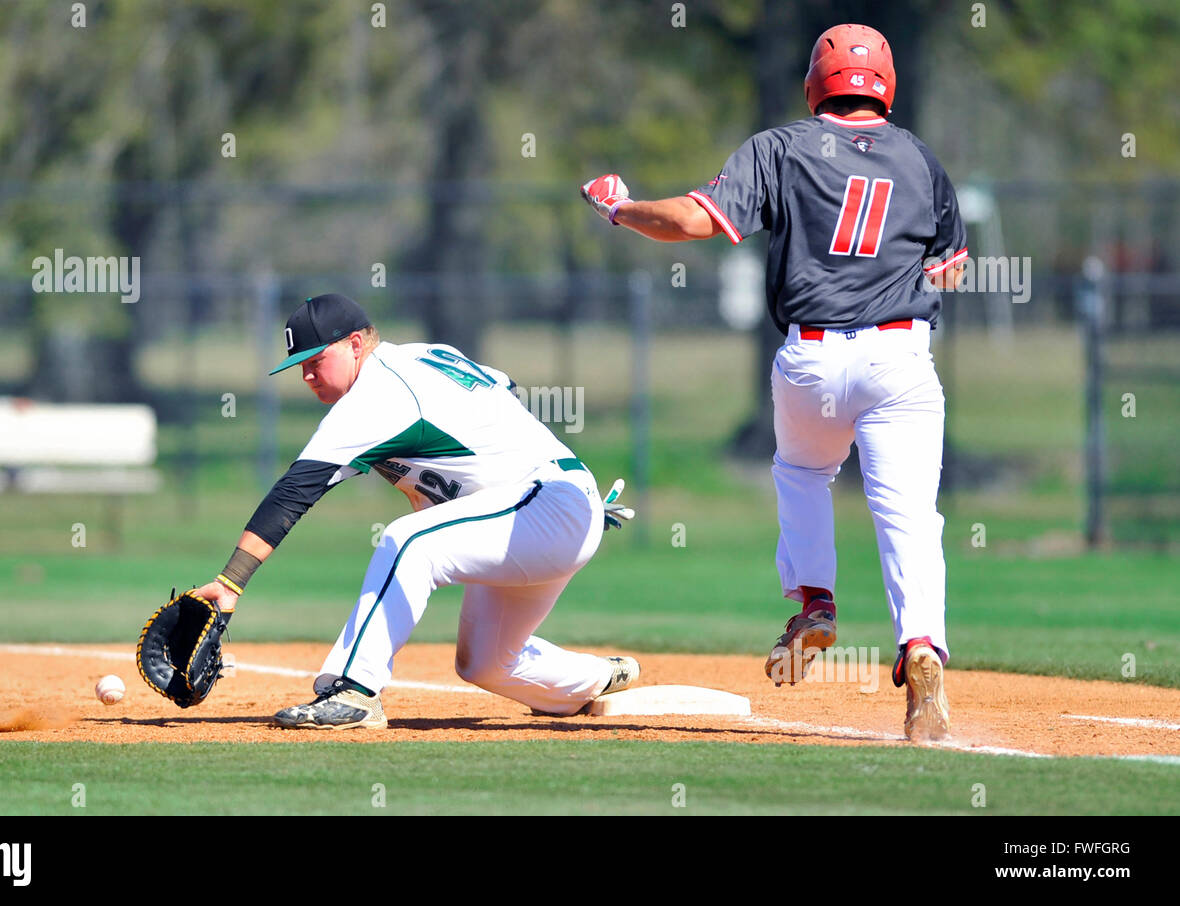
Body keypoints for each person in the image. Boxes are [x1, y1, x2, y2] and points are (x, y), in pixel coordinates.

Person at [580, 24, 966, 742]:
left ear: (816, 83)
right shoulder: (920, 159)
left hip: (814, 358)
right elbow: (950, 263)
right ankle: (921, 650)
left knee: (803, 472)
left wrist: (621, 209)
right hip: (901, 359)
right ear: (886, 83)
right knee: (910, 518)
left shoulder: (782, 147)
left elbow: (698, 220)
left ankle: (815, 601)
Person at [192, 293, 638, 729]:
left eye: (315, 359)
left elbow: (295, 491)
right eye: (300, 365)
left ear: (354, 344)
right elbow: (502, 385)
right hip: (544, 510)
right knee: (484, 663)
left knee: (409, 541)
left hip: (546, 505)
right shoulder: (423, 355)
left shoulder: (374, 395)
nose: (307, 374)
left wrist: (232, 580)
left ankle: (354, 692)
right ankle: (597, 679)